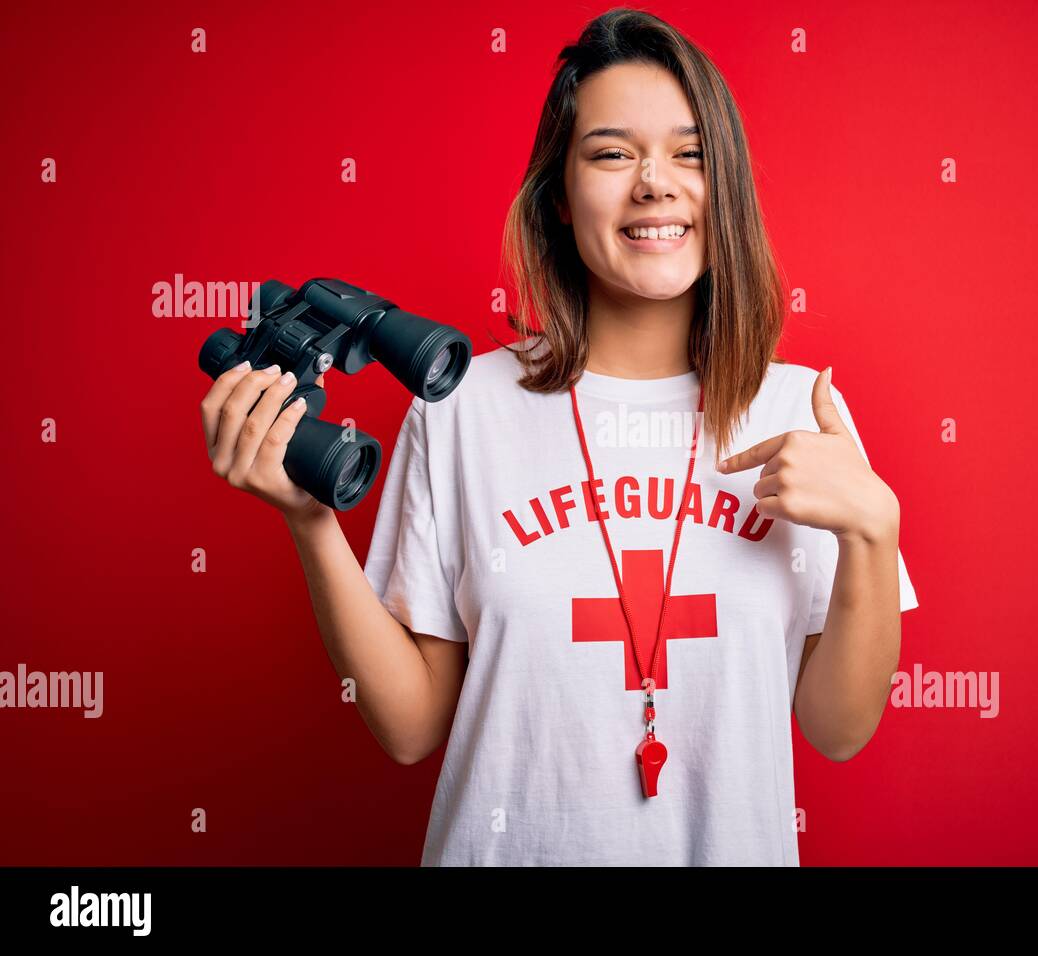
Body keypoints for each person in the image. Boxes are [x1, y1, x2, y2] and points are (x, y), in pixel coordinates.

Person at [199, 8, 917, 866]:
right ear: (560, 199)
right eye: (613, 154)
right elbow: (412, 726)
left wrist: (874, 530)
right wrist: (310, 521)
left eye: (690, 154)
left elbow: (836, 731)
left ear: (724, 188)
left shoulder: (801, 415)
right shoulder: (461, 406)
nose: (655, 183)